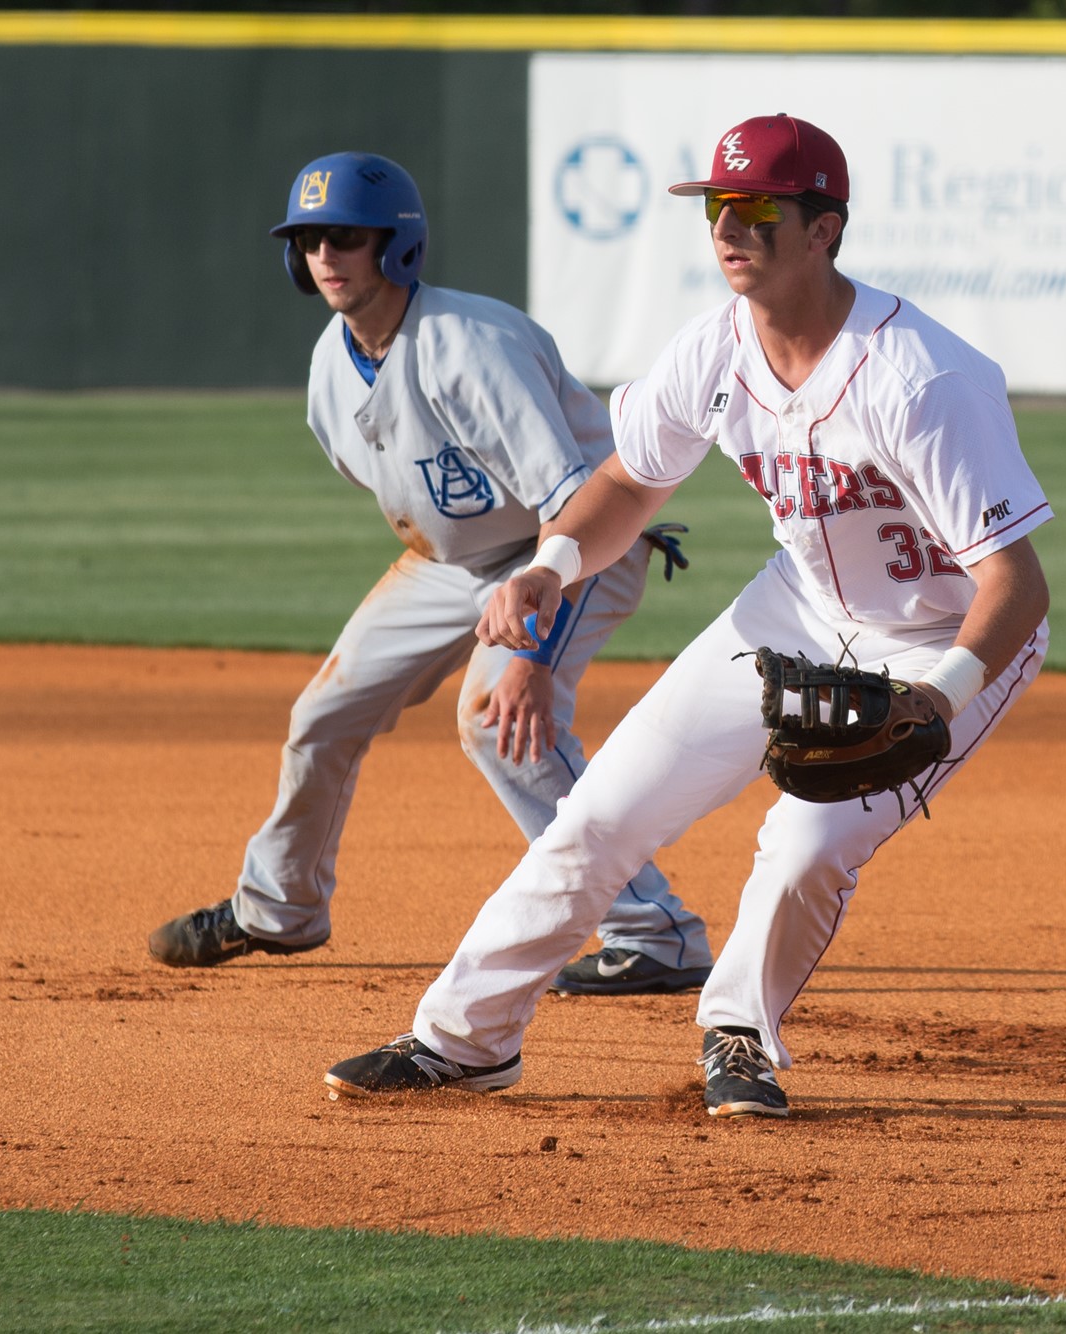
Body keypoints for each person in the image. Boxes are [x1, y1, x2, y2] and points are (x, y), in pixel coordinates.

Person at [323, 115, 1053, 1117]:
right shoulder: (711, 349)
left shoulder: (920, 378)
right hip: (795, 606)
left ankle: (739, 1035)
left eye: (756, 209)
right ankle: (465, 1039)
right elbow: (628, 481)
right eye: (717, 207)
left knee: (804, 844)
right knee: (598, 813)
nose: (729, 226)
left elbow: (1016, 581)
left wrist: (939, 695)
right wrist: (551, 565)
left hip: (945, 637)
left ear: (822, 230)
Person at [147, 152, 713, 996]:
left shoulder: (470, 347)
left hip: (568, 551)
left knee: (500, 721)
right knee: (324, 713)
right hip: (454, 562)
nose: (326, 256)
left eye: (346, 236)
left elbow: (573, 506)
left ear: (395, 246)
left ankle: (653, 932)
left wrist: (528, 656)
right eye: (308, 240)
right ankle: (279, 909)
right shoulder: (331, 368)